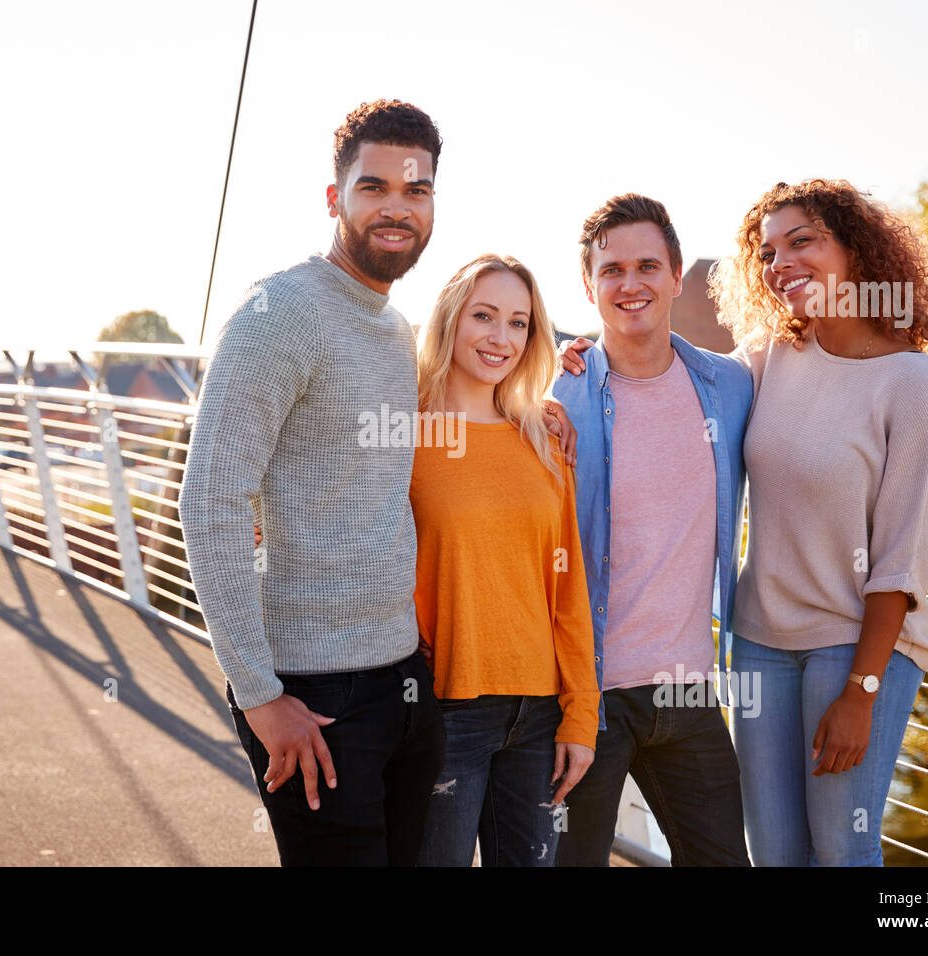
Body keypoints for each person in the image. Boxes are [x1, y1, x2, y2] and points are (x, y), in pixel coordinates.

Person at [177, 99, 447, 866]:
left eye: (416, 190)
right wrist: (259, 695)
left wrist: (551, 403)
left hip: (403, 679)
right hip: (311, 697)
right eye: (374, 188)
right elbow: (209, 500)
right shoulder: (278, 312)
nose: (396, 208)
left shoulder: (398, 331)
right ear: (336, 198)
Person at [707, 178, 928, 866]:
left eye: (802, 241)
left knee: (842, 851)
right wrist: (580, 369)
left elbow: (903, 561)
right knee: (777, 855)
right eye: (767, 252)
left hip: (856, 647)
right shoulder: (769, 357)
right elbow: (677, 389)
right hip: (758, 642)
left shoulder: (911, 382)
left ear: (856, 249)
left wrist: (860, 691)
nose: (780, 262)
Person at [553, 193, 753, 867]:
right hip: (587, 697)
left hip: (689, 690)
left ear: (673, 275)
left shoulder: (728, 386)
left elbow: (834, 409)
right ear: (588, 284)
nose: (630, 284)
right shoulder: (556, 395)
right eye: (612, 270)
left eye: (647, 266)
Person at [410, 254, 598, 867]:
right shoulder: (402, 433)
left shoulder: (545, 441)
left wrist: (581, 715)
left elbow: (567, 592)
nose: (500, 337)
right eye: (483, 316)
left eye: (518, 323)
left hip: (538, 716)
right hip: (444, 709)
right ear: (449, 319)